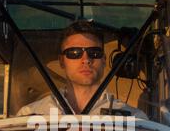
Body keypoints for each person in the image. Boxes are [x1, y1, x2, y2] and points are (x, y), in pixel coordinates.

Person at [17, 20, 148, 119]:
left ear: (103, 60)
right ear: (62, 61)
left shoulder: (133, 119)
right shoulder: (29, 115)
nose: (86, 59)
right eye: (74, 53)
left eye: (94, 52)